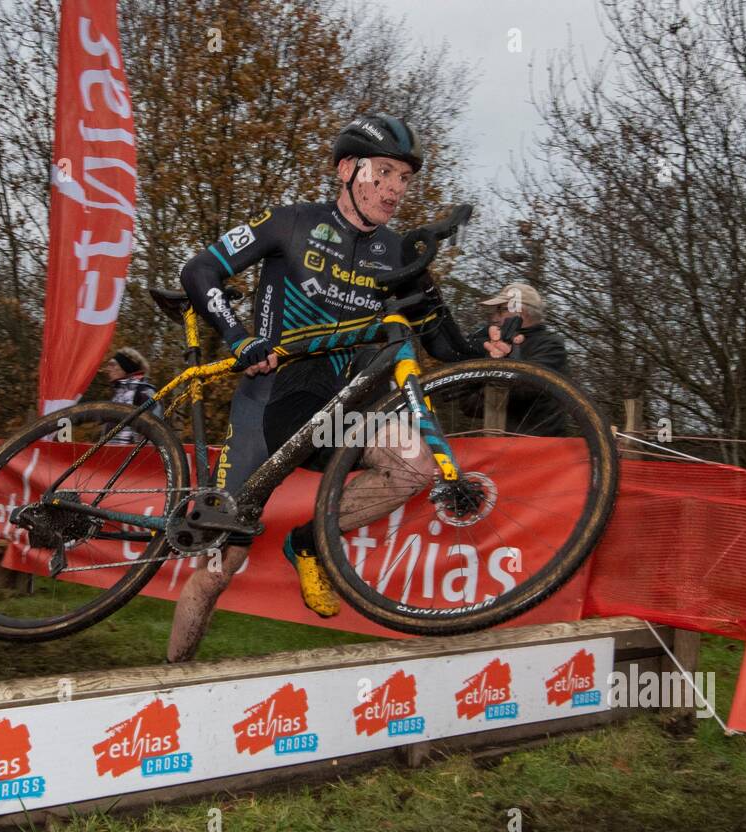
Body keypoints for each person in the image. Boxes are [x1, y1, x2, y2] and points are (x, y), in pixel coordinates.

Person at [168, 114, 521, 662]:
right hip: (266, 402)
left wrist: (486, 345)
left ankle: (310, 542)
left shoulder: (399, 255)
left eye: (404, 178)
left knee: (415, 466)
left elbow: (443, 344)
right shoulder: (290, 222)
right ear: (346, 170)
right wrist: (238, 338)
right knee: (219, 568)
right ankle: (171, 678)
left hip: (337, 405)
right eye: (383, 173)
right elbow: (199, 271)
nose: (395, 189)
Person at [464, 281, 571, 434]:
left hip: (540, 444)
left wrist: (492, 376)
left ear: (520, 312)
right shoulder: (497, 344)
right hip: (498, 442)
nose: (494, 317)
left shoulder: (551, 346)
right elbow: (469, 405)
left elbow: (525, 388)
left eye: (501, 310)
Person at [100, 346, 164, 441]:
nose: (108, 369)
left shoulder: (146, 392)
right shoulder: (117, 396)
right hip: (111, 450)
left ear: (126, 367)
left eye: (113, 365)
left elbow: (156, 429)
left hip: (137, 450)